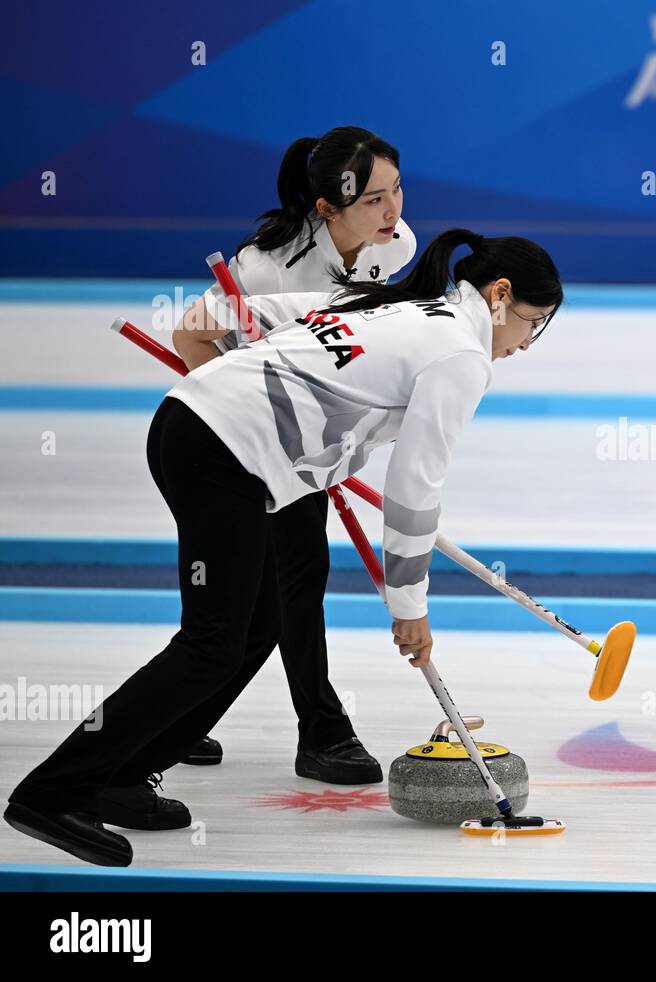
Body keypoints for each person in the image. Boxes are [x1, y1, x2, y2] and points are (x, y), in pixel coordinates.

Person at [5, 228, 562, 866]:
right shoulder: (463, 354)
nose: (525, 344)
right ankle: (52, 792)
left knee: (257, 624)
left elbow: (222, 316)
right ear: (500, 294)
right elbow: (415, 488)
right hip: (221, 454)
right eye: (534, 324)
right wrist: (409, 606)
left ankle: (128, 776)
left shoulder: (400, 304)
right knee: (211, 643)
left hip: (199, 433)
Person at [174, 126, 415, 784]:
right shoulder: (264, 267)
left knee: (263, 593)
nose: (392, 212)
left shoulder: (394, 246)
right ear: (326, 210)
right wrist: (256, 417)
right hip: (246, 441)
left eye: (397, 191)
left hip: (309, 442)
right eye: (372, 200)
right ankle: (323, 733)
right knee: (291, 581)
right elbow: (189, 335)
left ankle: (178, 718)